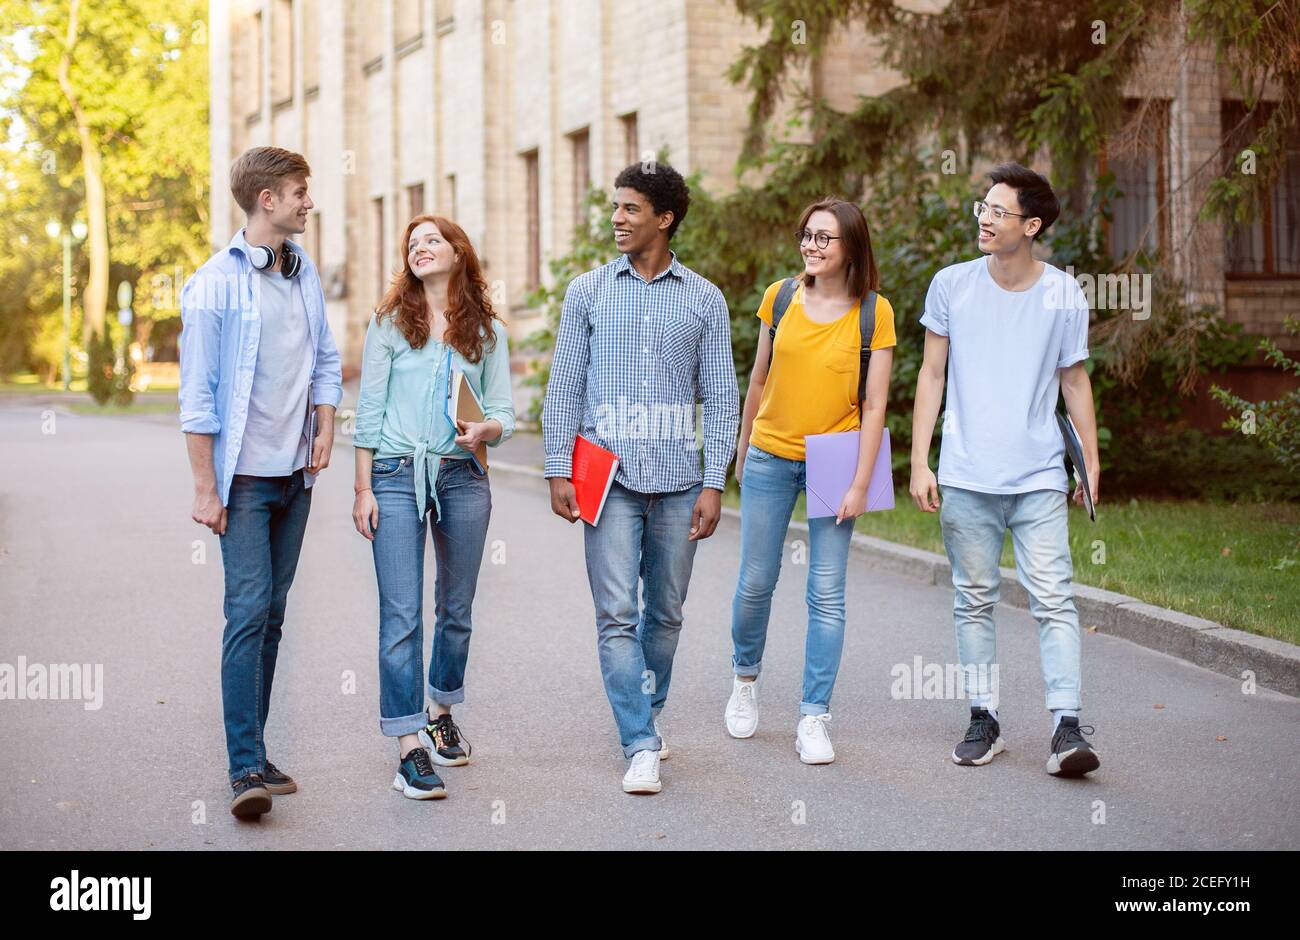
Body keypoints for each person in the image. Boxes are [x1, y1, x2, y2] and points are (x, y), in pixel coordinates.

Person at [542, 162, 739, 795]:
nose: (617, 219)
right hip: (608, 477)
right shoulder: (589, 291)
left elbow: (722, 397)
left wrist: (714, 481)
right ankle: (640, 741)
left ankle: (646, 712)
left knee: (667, 614)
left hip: (681, 480)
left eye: (630, 208)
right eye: (615, 207)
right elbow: (564, 386)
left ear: (665, 217)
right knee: (617, 612)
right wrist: (557, 470)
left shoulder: (704, 298)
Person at [909, 162, 1102, 777]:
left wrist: (1091, 464)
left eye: (998, 211)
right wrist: (920, 461)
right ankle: (983, 718)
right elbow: (931, 374)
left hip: (1039, 476)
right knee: (973, 600)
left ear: (1032, 224)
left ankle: (1066, 728)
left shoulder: (1063, 294)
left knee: (1055, 599)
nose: (985, 219)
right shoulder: (952, 285)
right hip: (966, 476)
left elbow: (1074, 379)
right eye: (982, 208)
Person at [179, 146, 342, 818]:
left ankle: (258, 749)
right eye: (300, 191)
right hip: (243, 481)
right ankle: (243, 764)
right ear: (266, 200)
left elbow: (326, 356)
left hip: (294, 476)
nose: (310, 202)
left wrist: (326, 423)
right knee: (247, 613)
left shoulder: (303, 275)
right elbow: (197, 398)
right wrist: (203, 489)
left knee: (272, 616)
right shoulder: (214, 284)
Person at [724, 199, 896, 764]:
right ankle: (745, 681)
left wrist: (859, 482)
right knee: (756, 580)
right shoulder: (779, 298)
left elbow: (874, 407)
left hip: (837, 456)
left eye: (825, 238)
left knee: (826, 592)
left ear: (851, 245)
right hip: (772, 454)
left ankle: (814, 715)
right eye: (807, 235)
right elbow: (757, 379)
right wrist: (743, 447)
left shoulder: (875, 313)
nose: (812, 246)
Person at [352, 215, 514, 800]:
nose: (420, 249)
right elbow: (368, 409)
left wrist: (485, 429)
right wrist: (362, 487)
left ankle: (440, 709)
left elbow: (505, 415)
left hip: (463, 476)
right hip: (396, 474)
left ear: (457, 251)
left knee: (456, 606)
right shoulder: (391, 322)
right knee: (401, 614)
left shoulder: (486, 330)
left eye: (432, 240)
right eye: (412, 243)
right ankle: (408, 746)